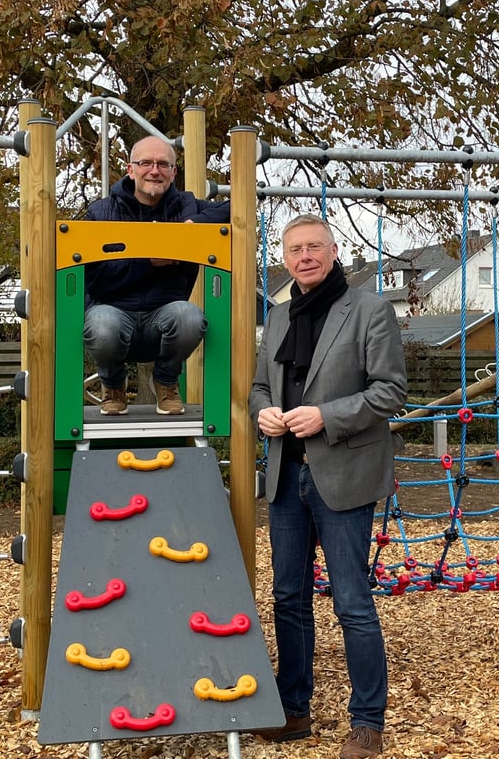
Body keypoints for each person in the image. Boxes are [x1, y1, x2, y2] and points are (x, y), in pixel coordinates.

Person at [249, 213, 407, 759]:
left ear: (334, 251)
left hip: (342, 471)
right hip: (285, 473)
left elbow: (391, 391)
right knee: (288, 597)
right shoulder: (279, 313)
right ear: (285, 256)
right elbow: (257, 386)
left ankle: (368, 721)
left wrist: (326, 416)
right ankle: (294, 710)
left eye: (315, 246)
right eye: (295, 249)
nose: (305, 256)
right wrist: (265, 412)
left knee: (352, 602)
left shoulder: (369, 309)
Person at [83, 135, 230, 416]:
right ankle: (113, 384)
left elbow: (237, 208)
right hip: (114, 314)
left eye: (164, 164)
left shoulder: (187, 206)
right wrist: (149, 261)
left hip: (164, 317)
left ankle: (165, 380)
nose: (155, 170)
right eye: (146, 163)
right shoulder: (102, 212)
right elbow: (96, 279)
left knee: (189, 316)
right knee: (101, 323)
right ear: (130, 169)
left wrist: (192, 226)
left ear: (174, 173)